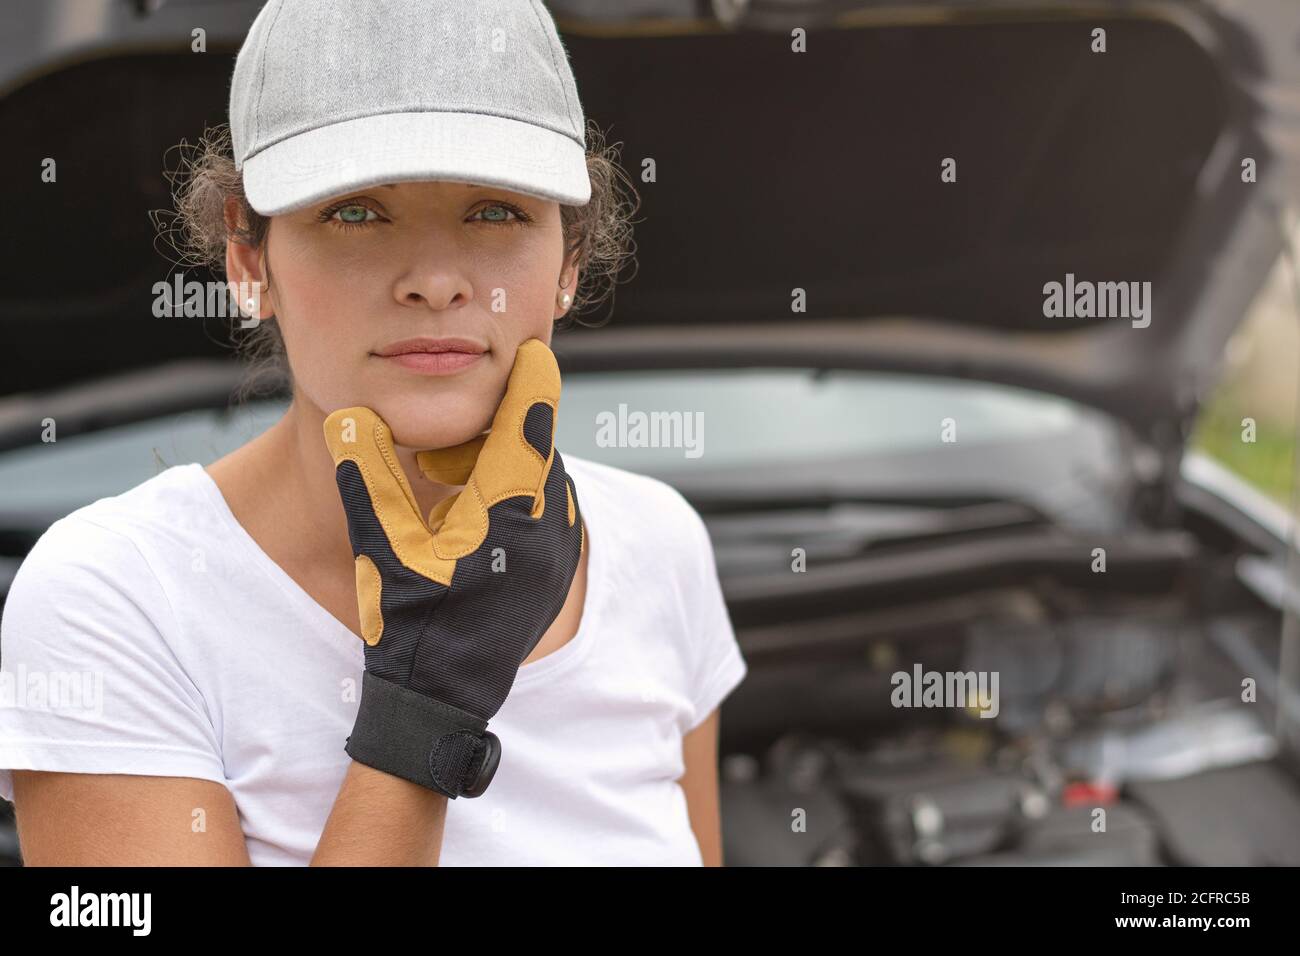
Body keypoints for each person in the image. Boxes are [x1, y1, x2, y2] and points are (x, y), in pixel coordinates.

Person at [0, 0, 747, 866]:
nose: (433, 280)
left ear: (570, 260)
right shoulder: (116, 598)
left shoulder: (660, 543)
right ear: (250, 260)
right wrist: (425, 707)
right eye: (354, 212)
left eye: (496, 210)